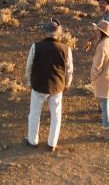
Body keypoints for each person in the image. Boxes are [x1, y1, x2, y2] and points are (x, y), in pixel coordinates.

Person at [23, 19, 73, 152]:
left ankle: (32, 140)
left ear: (46, 32)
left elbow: (29, 66)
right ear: (58, 33)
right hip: (57, 86)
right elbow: (69, 69)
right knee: (56, 115)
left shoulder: (36, 46)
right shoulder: (66, 48)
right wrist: (66, 84)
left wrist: (29, 82)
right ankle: (52, 143)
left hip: (39, 85)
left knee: (34, 113)